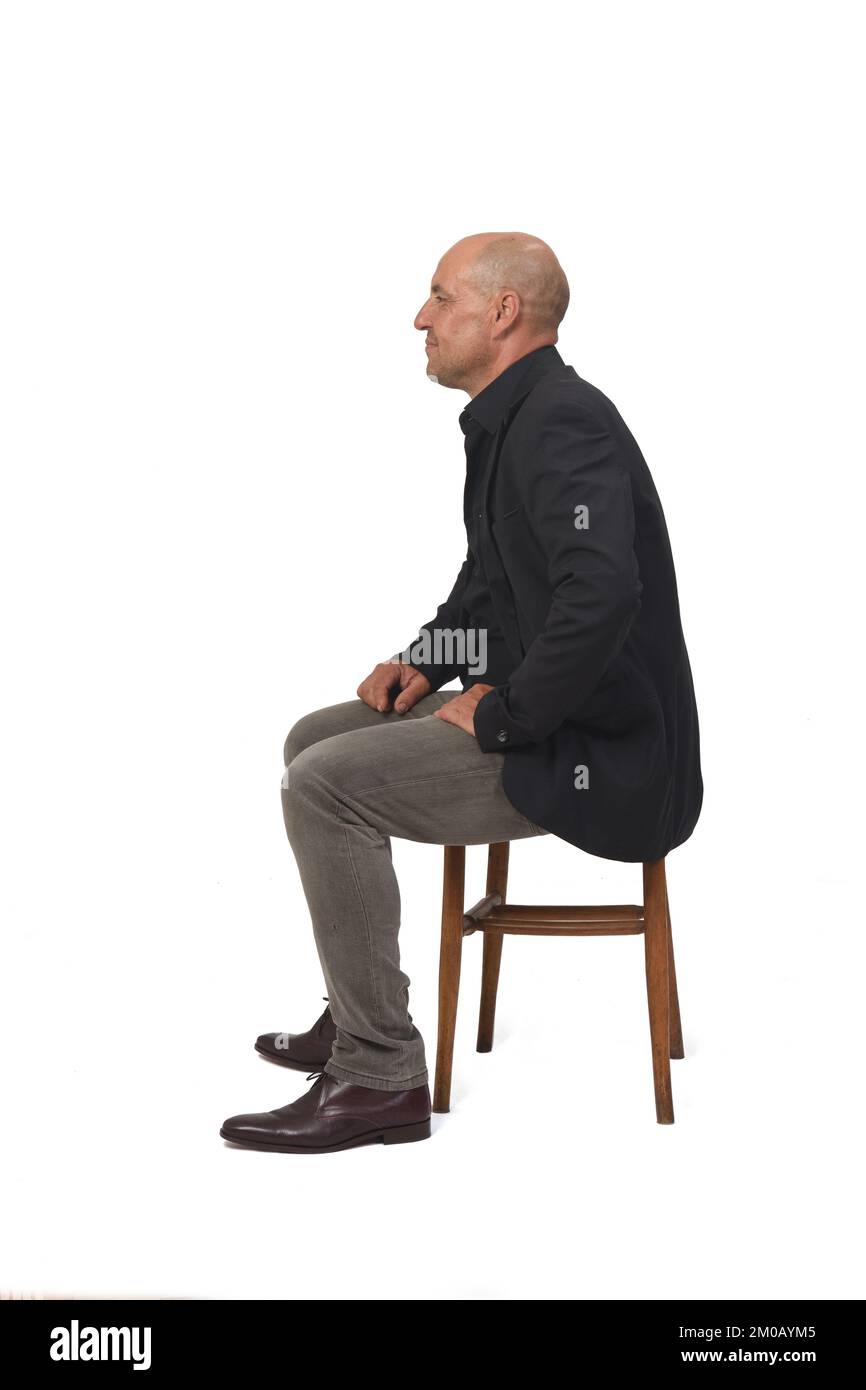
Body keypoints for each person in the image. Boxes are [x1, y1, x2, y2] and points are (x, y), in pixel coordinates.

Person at [219, 231, 703, 1155]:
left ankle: (377, 1076)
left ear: (502, 312)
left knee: (323, 784)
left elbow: (599, 595)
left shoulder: (561, 420)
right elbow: (495, 594)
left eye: (440, 298)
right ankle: (361, 1006)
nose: (422, 318)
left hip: (603, 748)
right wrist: (426, 664)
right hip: (561, 717)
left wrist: (509, 712)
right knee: (313, 736)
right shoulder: (511, 421)